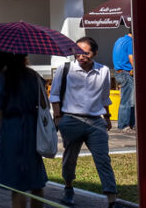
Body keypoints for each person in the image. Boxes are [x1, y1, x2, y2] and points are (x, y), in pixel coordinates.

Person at [50, 36, 120, 207]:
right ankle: (68, 187)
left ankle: (112, 198)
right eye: (78, 52)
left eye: (86, 53)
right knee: (70, 158)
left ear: (95, 53)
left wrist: (107, 117)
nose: (81, 56)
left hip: (96, 122)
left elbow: (105, 97)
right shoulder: (65, 68)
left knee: (103, 159)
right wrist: (58, 118)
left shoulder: (103, 70)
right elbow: (55, 94)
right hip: (71, 119)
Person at [0, 50, 47, 207]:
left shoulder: (0, 78)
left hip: (12, 129)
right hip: (32, 129)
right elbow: (44, 103)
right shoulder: (34, 76)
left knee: (17, 183)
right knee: (35, 179)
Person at [112, 22, 134, 132]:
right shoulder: (131, 42)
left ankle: (130, 123)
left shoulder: (119, 40)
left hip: (118, 71)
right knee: (127, 100)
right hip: (126, 72)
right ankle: (124, 125)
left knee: (126, 99)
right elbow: (132, 58)